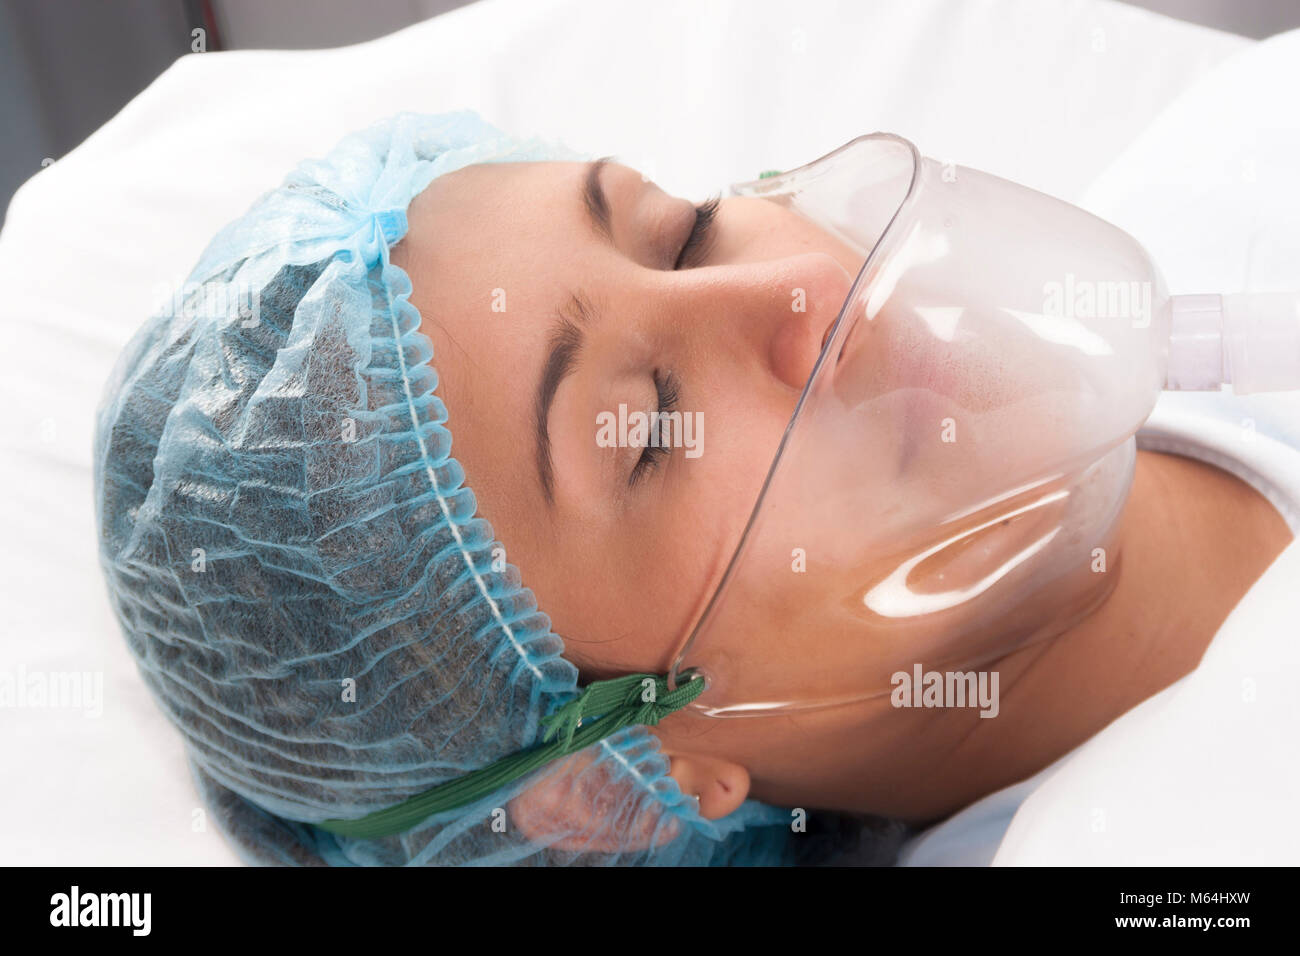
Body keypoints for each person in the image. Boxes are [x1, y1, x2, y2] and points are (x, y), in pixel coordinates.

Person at [94, 110, 1292, 866]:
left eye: (686, 234)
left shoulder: (1248, 150)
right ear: (609, 783)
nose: (802, 293)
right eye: (652, 429)